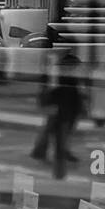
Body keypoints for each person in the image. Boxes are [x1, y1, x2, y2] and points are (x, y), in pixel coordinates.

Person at [31, 52, 84, 180]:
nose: (74, 70)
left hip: (67, 113)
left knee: (55, 135)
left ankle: (41, 153)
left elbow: (75, 96)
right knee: (59, 139)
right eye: (73, 67)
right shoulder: (56, 77)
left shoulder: (68, 78)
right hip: (60, 113)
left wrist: (79, 109)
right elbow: (48, 93)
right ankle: (59, 172)